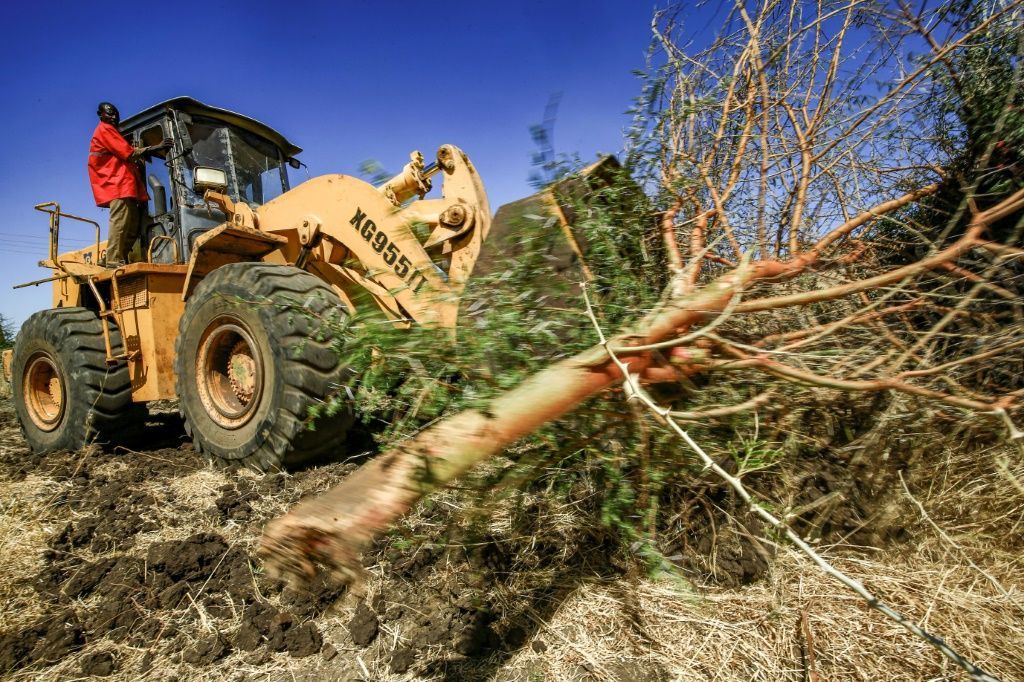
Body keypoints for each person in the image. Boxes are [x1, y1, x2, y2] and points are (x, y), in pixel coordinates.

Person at [87, 102, 167, 268]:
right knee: (121, 222)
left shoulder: (109, 131)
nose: (114, 116)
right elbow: (128, 153)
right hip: (117, 185)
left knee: (134, 224)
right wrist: (155, 147)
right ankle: (113, 259)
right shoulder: (105, 129)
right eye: (109, 113)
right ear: (100, 115)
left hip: (126, 185)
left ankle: (116, 256)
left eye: (115, 113)